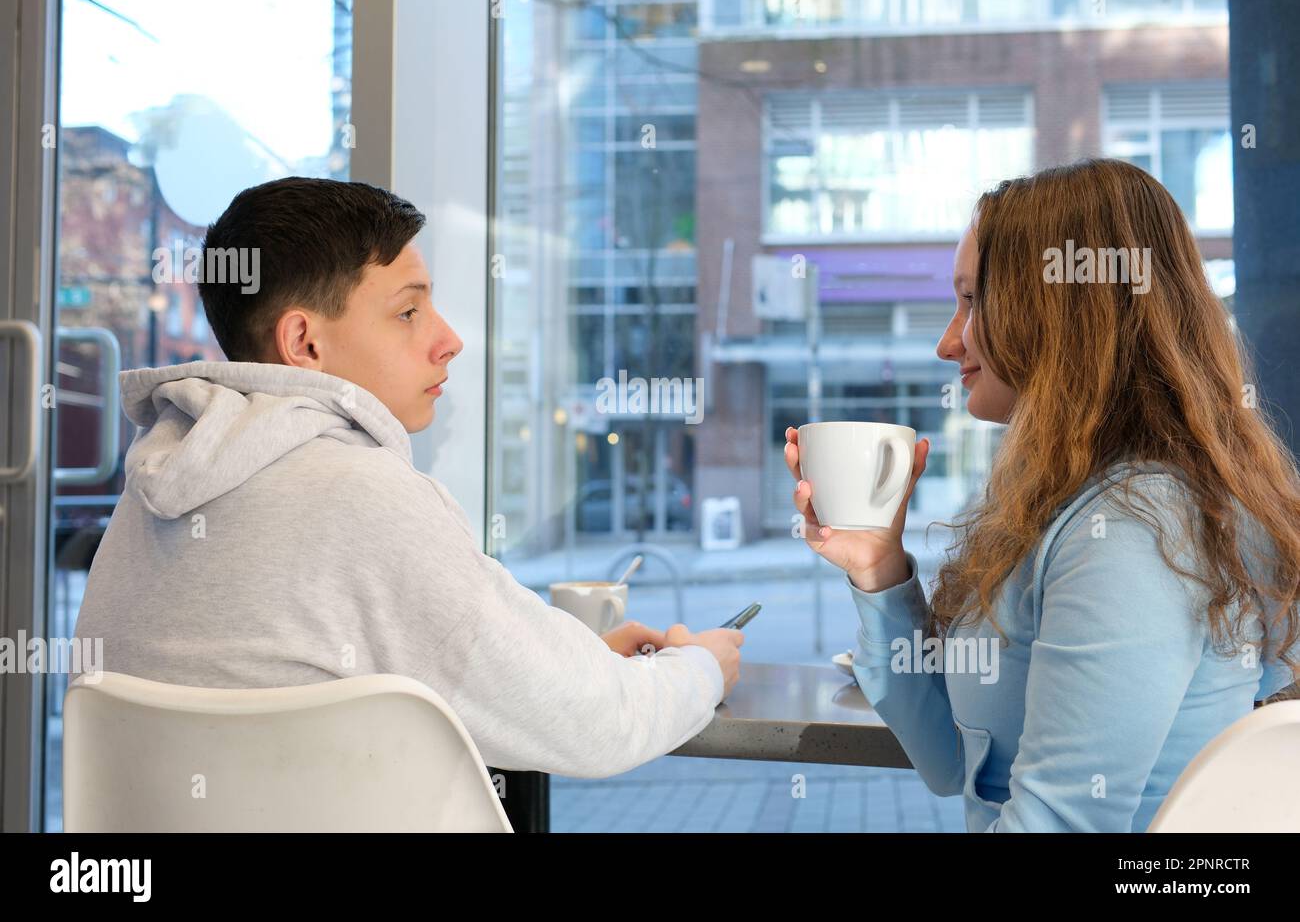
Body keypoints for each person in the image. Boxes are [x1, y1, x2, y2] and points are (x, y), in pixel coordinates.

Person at [72, 177, 743, 780]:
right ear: (305, 343)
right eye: (407, 312)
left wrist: (568, 659)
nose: (447, 338)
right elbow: (599, 726)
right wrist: (701, 668)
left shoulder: (148, 500)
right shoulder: (357, 493)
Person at [784, 157, 1300, 832]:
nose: (948, 342)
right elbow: (951, 763)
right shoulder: (1079, 502)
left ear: (1057, 312)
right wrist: (879, 569)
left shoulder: (1135, 527)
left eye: (970, 301)